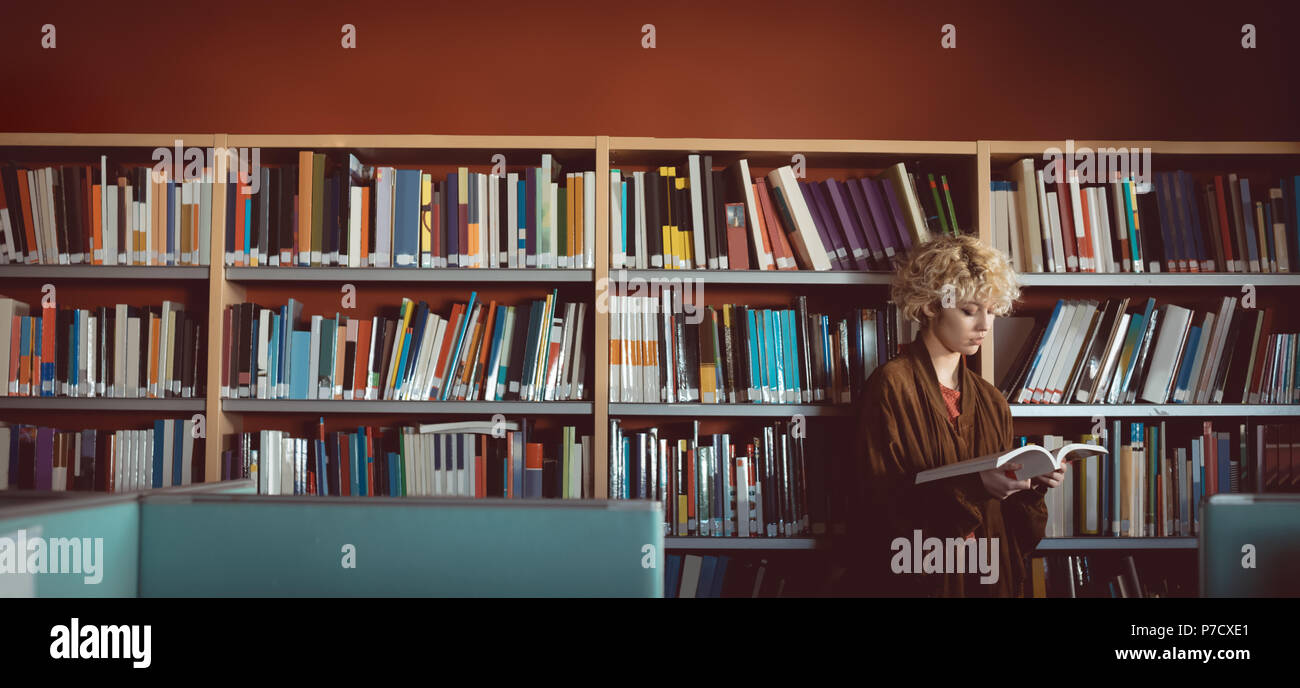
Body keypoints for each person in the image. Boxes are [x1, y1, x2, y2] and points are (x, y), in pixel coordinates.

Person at [846, 234, 1066, 597]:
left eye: (992, 310)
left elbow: (1014, 533)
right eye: (969, 310)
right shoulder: (890, 386)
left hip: (987, 579)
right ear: (932, 305)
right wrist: (976, 487)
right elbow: (878, 506)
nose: (985, 325)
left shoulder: (991, 400)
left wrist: (1031, 484)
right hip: (926, 580)